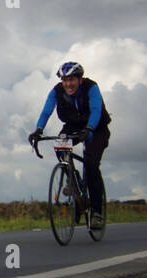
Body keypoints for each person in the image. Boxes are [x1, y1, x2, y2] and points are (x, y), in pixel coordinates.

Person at [29, 62, 112, 212]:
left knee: (91, 165)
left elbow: (96, 109)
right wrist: (38, 129)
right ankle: (73, 181)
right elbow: (46, 111)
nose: (68, 84)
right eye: (64, 80)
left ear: (80, 80)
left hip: (96, 127)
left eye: (72, 79)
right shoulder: (57, 91)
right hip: (73, 126)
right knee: (60, 146)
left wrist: (89, 128)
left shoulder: (91, 87)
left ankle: (97, 210)